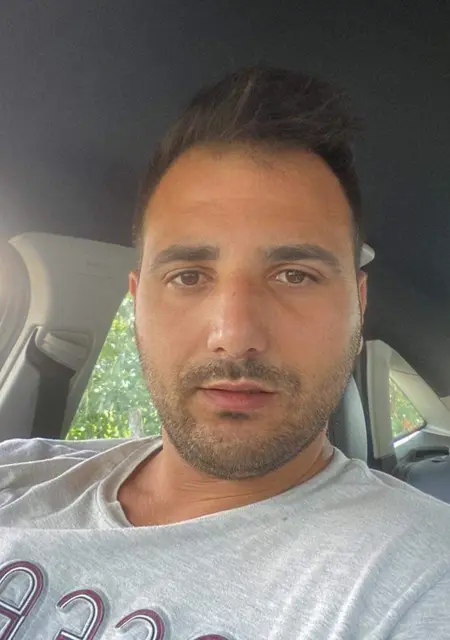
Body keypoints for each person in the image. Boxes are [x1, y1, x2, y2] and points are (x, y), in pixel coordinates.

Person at [1, 66, 449, 640]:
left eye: (294, 275)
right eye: (188, 276)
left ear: (358, 307)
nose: (234, 335)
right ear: (138, 303)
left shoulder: (423, 581)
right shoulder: (17, 474)